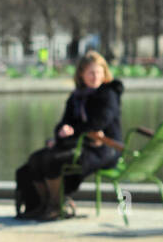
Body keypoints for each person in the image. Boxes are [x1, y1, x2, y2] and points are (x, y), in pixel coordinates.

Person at [16, 52, 124, 220]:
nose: (95, 76)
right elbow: (65, 122)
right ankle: (41, 205)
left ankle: (55, 206)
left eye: (98, 72)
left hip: (105, 148)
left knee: (52, 159)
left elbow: (100, 122)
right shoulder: (77, 96)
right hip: (80, 144)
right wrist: (61, 133)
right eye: (90, 72)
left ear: (104, 73)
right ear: (81, 74)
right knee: (35, 159)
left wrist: (73, 132)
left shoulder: (109, 93)